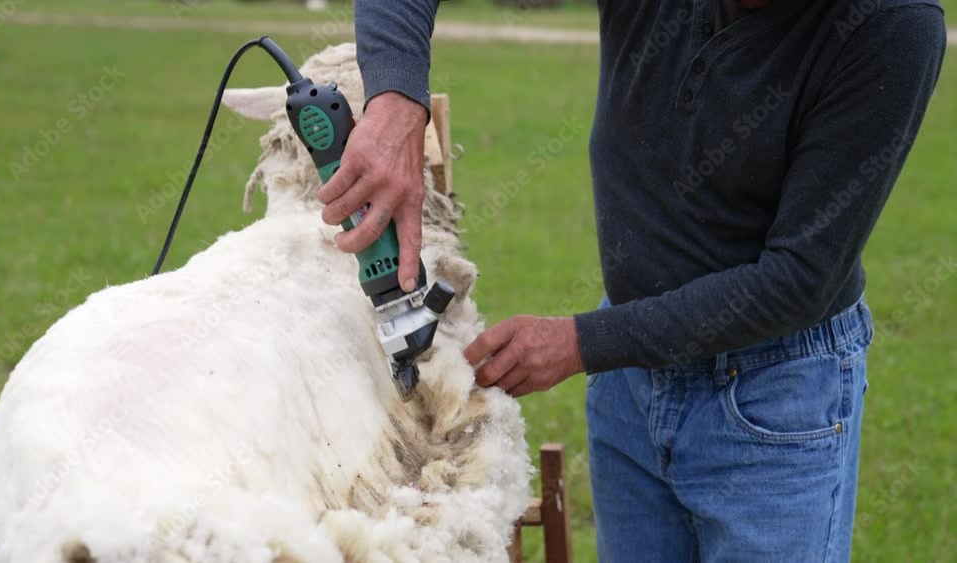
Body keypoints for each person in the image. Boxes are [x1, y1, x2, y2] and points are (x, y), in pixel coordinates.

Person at [318, 1, 947, 561]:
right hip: (632, 382)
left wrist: (585, 343)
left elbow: (798, 277)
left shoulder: (890, 25)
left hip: (775, 398)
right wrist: (397, 98)